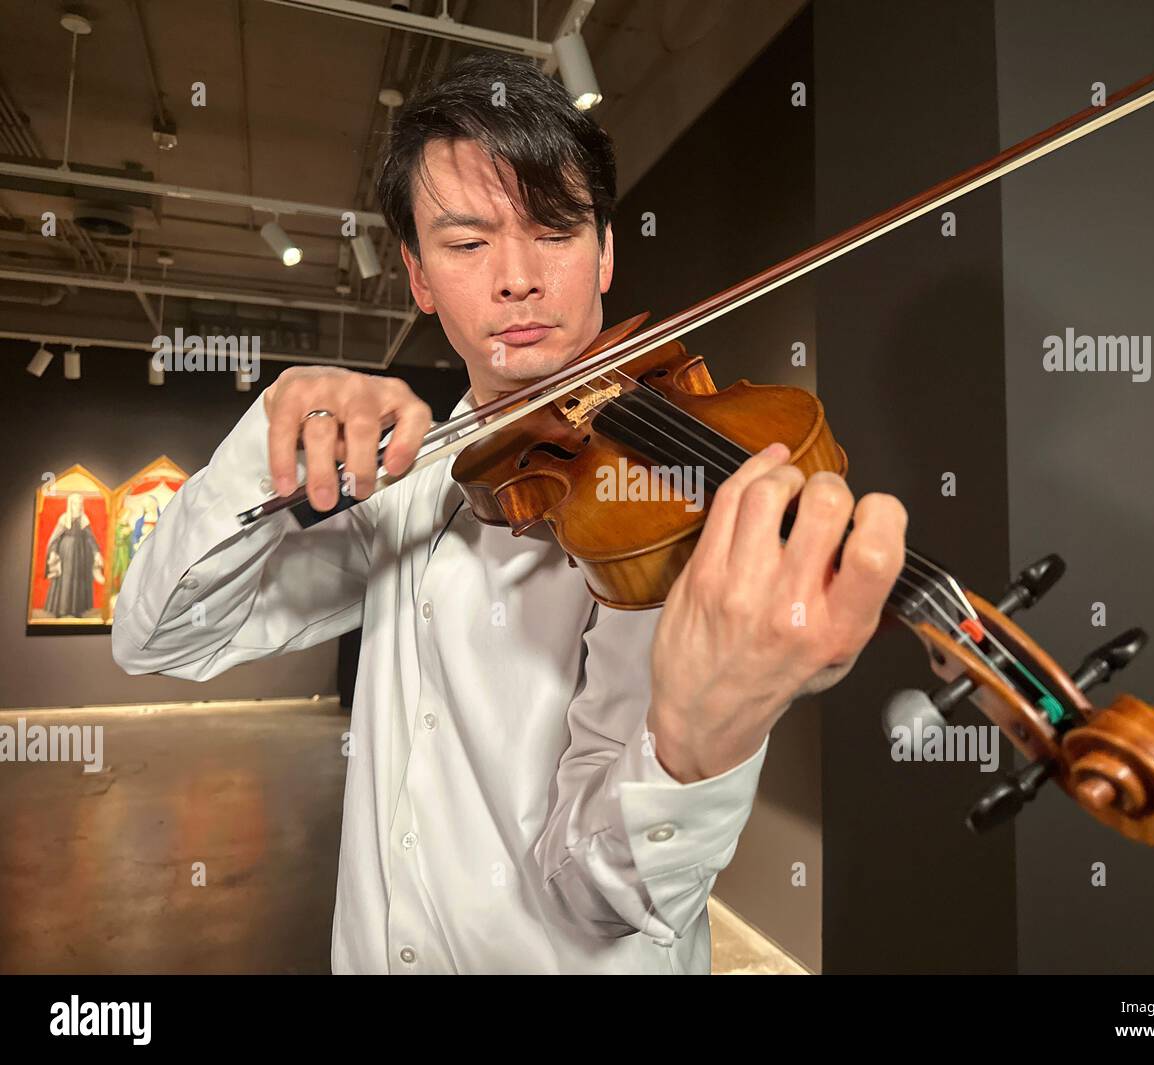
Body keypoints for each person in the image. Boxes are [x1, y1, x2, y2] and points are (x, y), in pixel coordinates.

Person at [112, 52, 907, 974]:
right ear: (415, 274)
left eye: (555, 230)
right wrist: (264, 438)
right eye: (466, 243)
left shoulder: (662, 526)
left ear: (606, 250)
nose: (518, 278)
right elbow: (158, 636)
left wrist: (693, 753)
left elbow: (604, 897)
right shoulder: (404, 486)